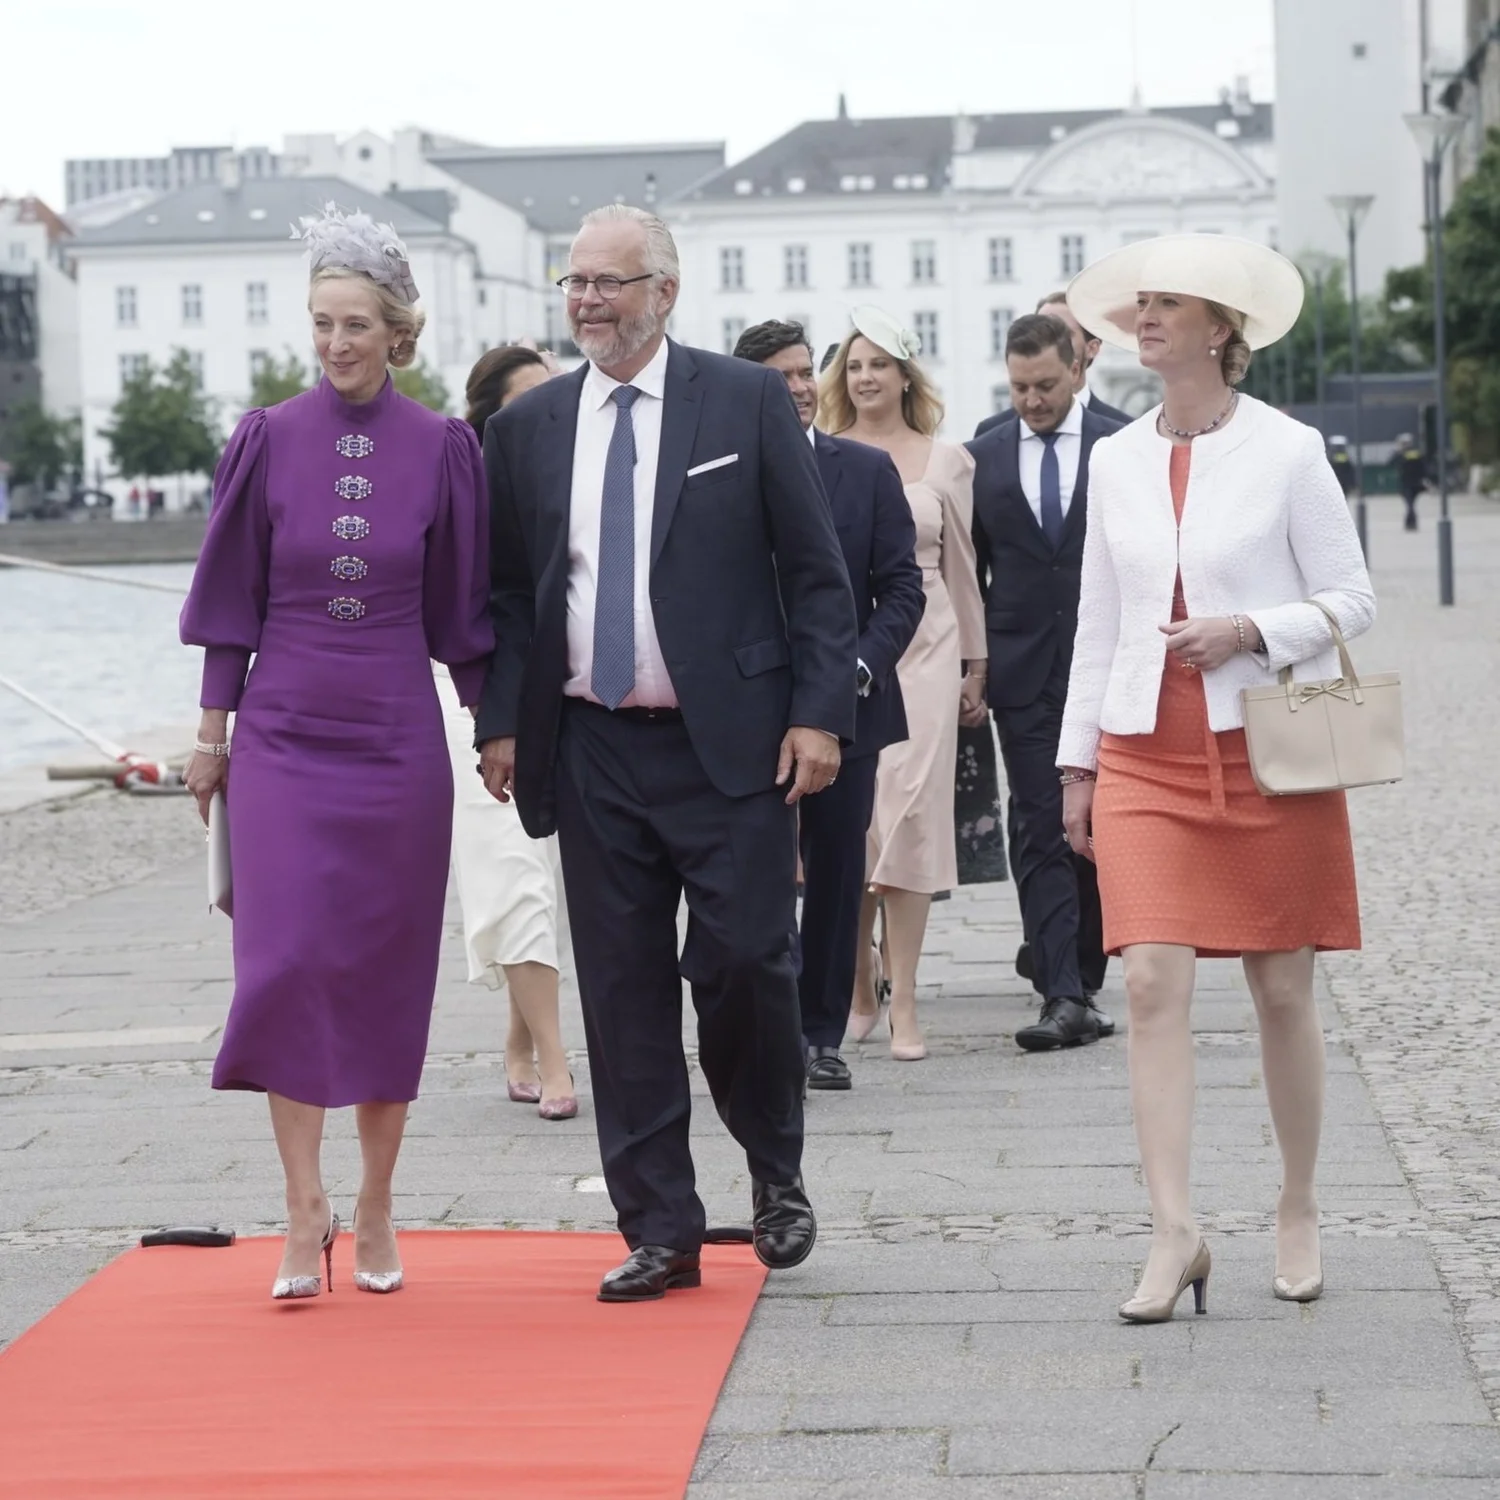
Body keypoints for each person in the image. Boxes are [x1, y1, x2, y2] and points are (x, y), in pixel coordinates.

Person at [475, 205, 857, 1303]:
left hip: (729, 743)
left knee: (747, 964)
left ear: (665, 292)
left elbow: (815, 571)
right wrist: (502, 718)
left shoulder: (740, 401)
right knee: (625, 989)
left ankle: (774, 1173)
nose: (587, 300)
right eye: (575, 282)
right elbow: (507, 593)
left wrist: (819, 713)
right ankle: (661, 1223)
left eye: (609, 282)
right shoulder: (531, 429)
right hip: (589, 742)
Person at [1059, 233, 1374, 1322]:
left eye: (1168, 306)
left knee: (1283, 990)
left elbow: (1352, 597)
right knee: (1148, 981)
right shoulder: (1114, 459)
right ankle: (1174, 1229)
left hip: (1269, 747)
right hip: (1144, 750)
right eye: (1139, 305)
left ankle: (1297, 1204)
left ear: (1221, 331)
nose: (1144, 320)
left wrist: (1251, 627)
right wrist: (1075, 764)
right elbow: (1097, 617)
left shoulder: (1290, 450)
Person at [179, 206, 492, 1301]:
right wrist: (210, 735)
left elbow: (462, 619)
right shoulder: (265, 437)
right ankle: (302, 1205)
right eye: (321, 324)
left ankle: (374, 1200)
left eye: (356, 324)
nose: (336, 344)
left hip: (399, 744)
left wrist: (493, 729)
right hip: (282, 743)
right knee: (282, 967)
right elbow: (229, 606)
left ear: (398, 332)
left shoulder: (447, 447)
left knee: (379, 974)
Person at [732, 318, 925, 1091]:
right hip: (746, 709)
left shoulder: (865, 471)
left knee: (839, 872)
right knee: (757, 873)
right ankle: (761, 1025)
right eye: (783, 376)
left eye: (808, 371)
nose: (804, 387)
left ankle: (821, 1034)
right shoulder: (721, 474)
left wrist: (856, 668)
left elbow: (903, 589)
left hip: (851, 707)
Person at [825, 308, 987, 1061]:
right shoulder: (821, 454)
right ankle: (859, 986)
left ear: (904, 375)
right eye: (854, 365)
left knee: (914, 817)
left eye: (878, 365)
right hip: (850, 647)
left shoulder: (947, 458)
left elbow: (963, 569)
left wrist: (974, 664)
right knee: (857, 821)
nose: (864, 378)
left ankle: (907, 1003)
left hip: (929, 646)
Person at [968, 312, 1121, 1052]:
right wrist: (973, 663)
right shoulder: (985, 455)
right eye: (1020, 387)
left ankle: (1083, 973)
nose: (1033, 400)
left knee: (1101, 826)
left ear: (1078, 368)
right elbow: (969, 575)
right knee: (1039, 821)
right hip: (1022, 670)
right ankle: (1061, 992)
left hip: (1114, 667)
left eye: (1047, 386)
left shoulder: (1124, 446)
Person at [441, 344, 575, 1119]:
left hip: (558, 691)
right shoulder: (460, 487)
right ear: (491, 417)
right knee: (513, 869)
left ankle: (521, 1039)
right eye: (528, 402)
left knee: (543, 875)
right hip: (468, 693)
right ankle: (557, 1062)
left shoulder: (571, 480)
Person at [974, 292, 1132, 439]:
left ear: (1092, 347)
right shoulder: (989, 434)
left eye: (1062, 333)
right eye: (1039, 331)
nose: (1047, 341)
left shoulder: (1125, 433)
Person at [1396, 433, 1426, 531]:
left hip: (1406, 484)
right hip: (1417, 483)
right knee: (1411, 504)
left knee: (1410, 505)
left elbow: (1394, 464)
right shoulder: (1417, 454)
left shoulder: (1402, 455)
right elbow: (1423, 468)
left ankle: (1411, 523)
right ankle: (1410, 523)